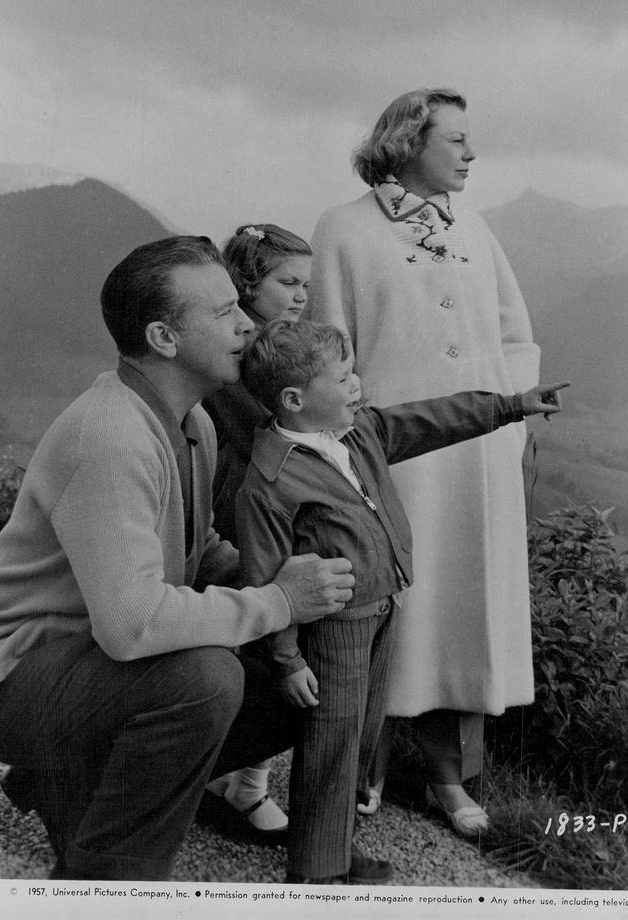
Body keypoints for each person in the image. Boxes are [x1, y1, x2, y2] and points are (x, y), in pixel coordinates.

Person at [0, 236, 354, 882]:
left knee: (291, 670)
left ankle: (70, 781)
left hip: (89, 667)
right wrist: (276, 601)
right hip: (7, 683)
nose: (247, 322)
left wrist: (293, 589)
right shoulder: (109, 436)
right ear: (164, 338)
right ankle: (106, 874)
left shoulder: (195, 424)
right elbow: (133, 624)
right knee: (206, 677)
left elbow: (195, 552)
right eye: (222, 313)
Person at [235, 318, 566, 883]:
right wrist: (287, 660)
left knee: (361, 734)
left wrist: (512, 405)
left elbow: (432, 419)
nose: (357, 385)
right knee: (332, 741)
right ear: (294, 400)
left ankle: (336, 847)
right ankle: (317, 871)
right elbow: (266, 579)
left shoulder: (358, 432)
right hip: (333, 628)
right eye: (342, 379)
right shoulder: (269, 481)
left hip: (386, 607)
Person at [306, 87, 541, 836]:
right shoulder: (343, 230)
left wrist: (506, 430)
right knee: (388, 604)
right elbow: (329, 347)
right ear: (408, 142)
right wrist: (351, 448)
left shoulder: (474, 226)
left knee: (460, 607)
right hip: (394, 458)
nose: (471, 155)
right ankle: (362, 761)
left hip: (473, 460)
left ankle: (450, 777)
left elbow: (514, 336)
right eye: (457, 140)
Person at [201, 223, 312, 839]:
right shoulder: (237, 361)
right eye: (286, 282)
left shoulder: (280, 347)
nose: (300, 295)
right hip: (233, 506)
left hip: (268, 507)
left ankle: (243, 783)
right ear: (247, 283)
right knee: (255, 643)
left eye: (305, 285)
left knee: (268, 642)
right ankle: (236, 785)